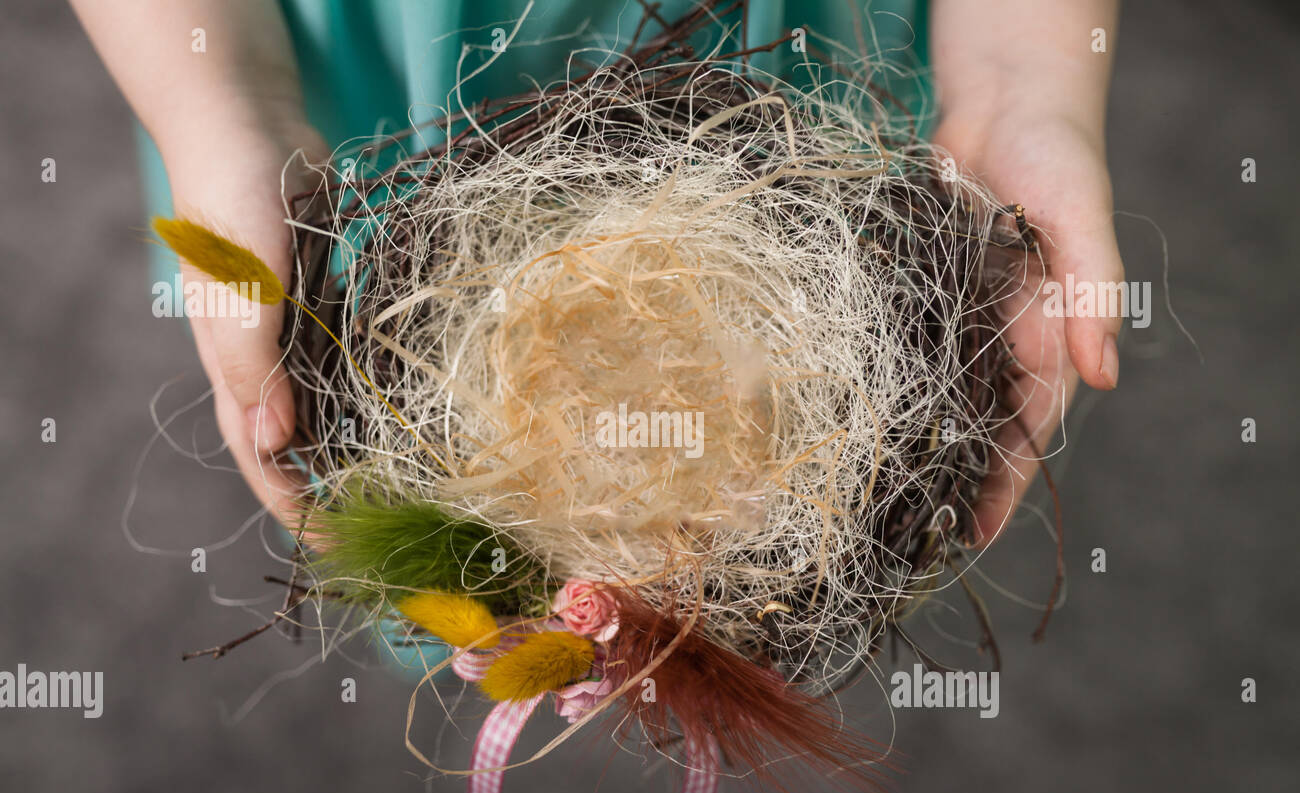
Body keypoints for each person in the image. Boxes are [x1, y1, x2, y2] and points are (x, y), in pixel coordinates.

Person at [72, 0, 1123, 545]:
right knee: (424, 351)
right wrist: (226, 106)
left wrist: (1017, 85)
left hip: (813, 65)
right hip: (367, 61)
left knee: (781, 394)